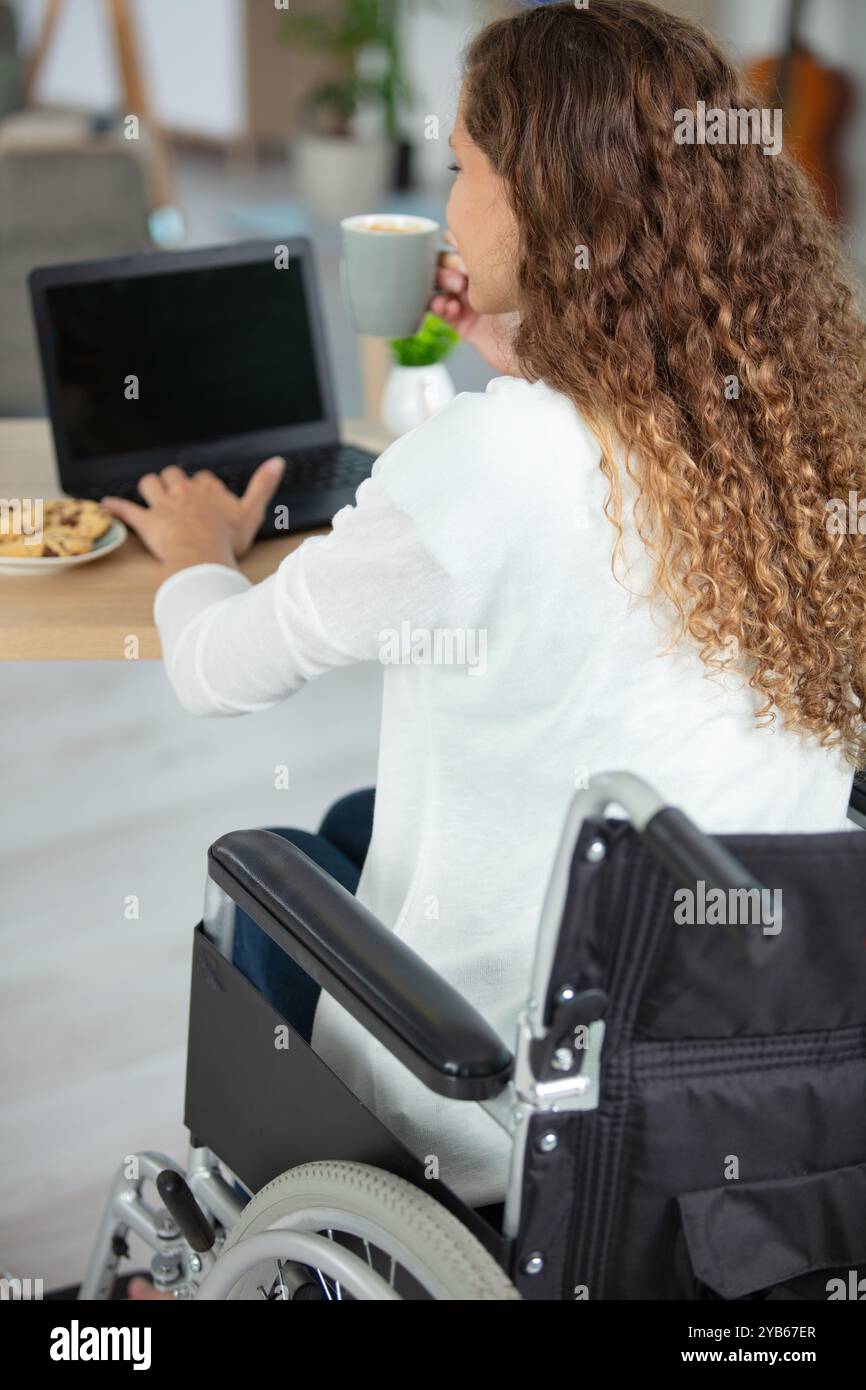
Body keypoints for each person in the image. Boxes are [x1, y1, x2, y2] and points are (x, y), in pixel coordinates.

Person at [114, 1, 866, 1300]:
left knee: (276, 865)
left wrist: (191, 550)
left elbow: (214, 667)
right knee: (360, 816)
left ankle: (247, 1243)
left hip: (497, 1118)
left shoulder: (485, 465)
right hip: (720, 1093)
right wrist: (520, 343)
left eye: (461, 166)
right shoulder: (802, 433)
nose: (444, 197)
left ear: (544, 198)